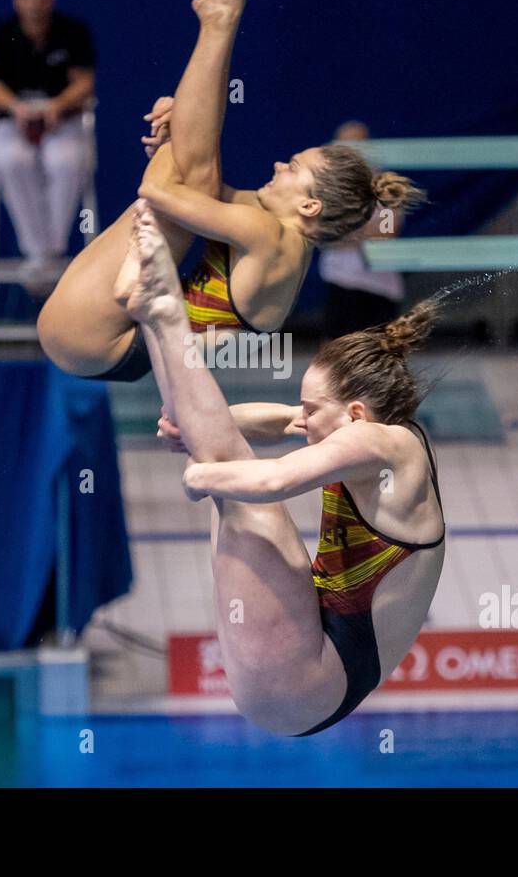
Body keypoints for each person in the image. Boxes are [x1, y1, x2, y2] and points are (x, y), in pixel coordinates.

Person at [119, 199, 446, 735]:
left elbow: (274, 482)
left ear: (358, 414)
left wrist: (201, 476)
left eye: (314, 411)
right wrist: (196, 430)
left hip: (307, 679)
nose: (304, 418)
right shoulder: (377, 437)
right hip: (309, 667)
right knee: (216, 443)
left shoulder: (386, 447)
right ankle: (155, 317)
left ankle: (164, 312)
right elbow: (278, 420)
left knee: (235, 478)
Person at [37, 0, 426, 382]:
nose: (280, 165)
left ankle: (220, 22)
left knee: (190, 183)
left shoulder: (266, 234)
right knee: (200, 178)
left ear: (309, 206)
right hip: (113, 344)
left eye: (294, 168)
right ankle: (219, 22)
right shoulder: (279, 239)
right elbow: (198, 175)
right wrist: (178, 123)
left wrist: (177, 126)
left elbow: (158, 193)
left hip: (95, 338)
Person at [0, 0, 96, 296]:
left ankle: (50, 250)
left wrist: (58, 105)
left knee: (66, 162)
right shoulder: (2, 34)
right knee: (11, 160)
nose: (33, 4)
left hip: (62, 119)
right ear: (17, 0)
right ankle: (38, 251)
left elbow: (84, 83)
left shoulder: (72, 31)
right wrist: (15, 107)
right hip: (15, 119)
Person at [318, 121, 409, 339]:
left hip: (380, 283)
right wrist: (362, 232)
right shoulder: (327, 187)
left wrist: (346, 232)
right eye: (345, 145)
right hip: (340, 279)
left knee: (382, 349)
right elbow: (322, 232)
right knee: (336, 348)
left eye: (358, 144)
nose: (351, 151)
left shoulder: (387, 187)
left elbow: (387, 230)